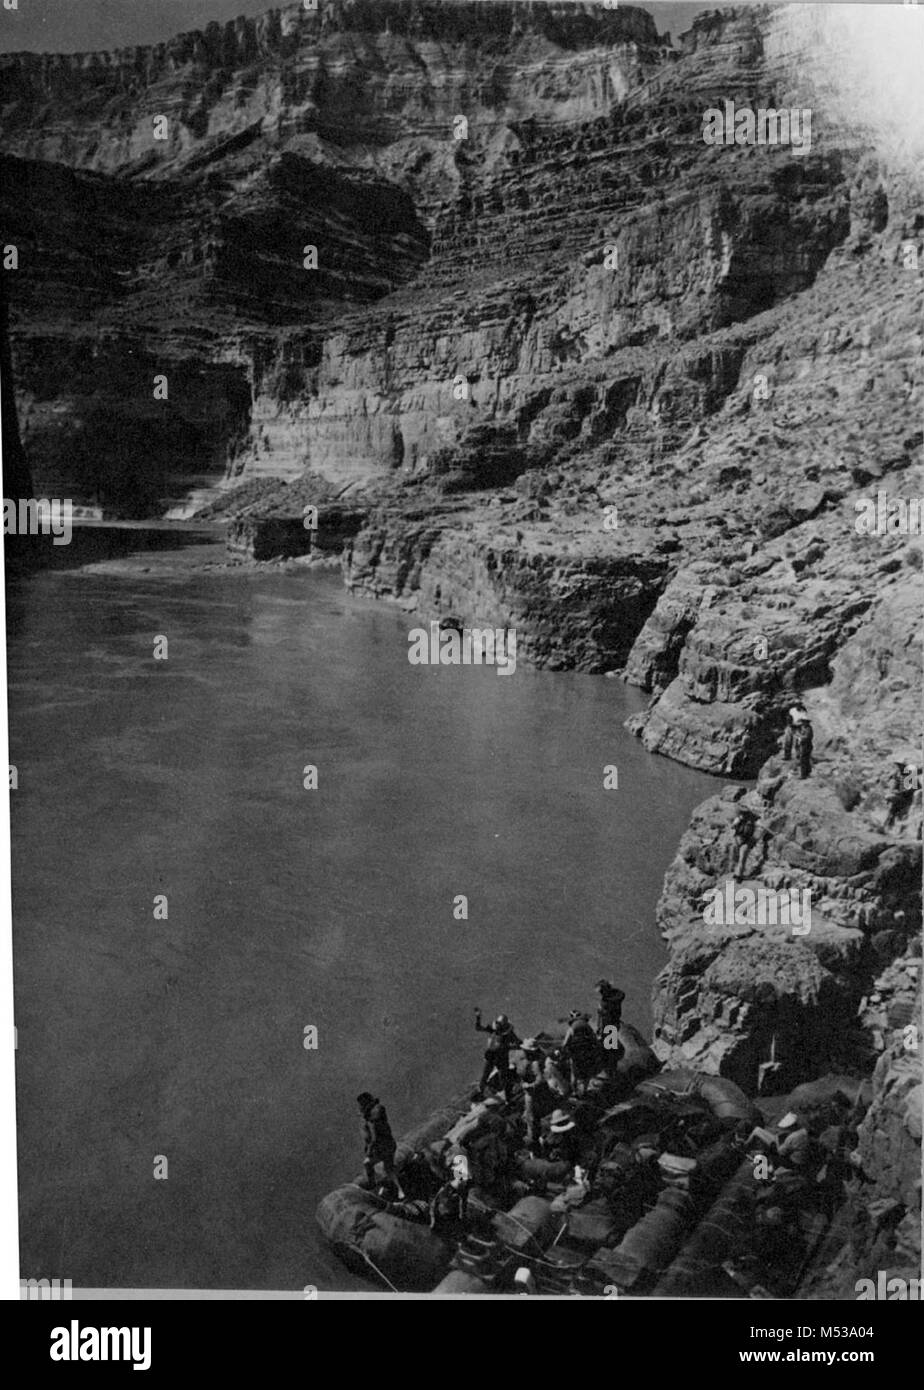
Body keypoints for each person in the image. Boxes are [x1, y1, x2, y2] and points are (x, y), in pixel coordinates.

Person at [357, 1091, 404, 1197]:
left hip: (382, 1149)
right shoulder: (379, 1110)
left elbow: (373, 1138)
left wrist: (369, 1153)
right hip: (390, 1145)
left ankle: (373, 1185)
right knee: (389, 1169)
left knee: (368, 1164)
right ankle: (400, 1192)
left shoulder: (372, 1119)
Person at [474, 1009, 521, 1101]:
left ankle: (507, 1096)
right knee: (485, 1074)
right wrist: (478, 1017)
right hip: (492, 1055)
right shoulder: (492, 1030)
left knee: (503, 1077)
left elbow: (517, 1042)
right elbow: (478, 1027)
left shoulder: (509, 1034)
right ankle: (481, 1092)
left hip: (501, 1057)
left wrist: (512, 1046)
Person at [521, 1039, 556, 1155]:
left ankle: (536, 1150)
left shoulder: (534, 1064)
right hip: (542, 1095)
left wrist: (527, 1086)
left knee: (532, 1123)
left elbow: (539, 1080)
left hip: (535, 1096)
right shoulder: (539, 1059)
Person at [562, 1011, 599, 1096]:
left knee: (574, 1075)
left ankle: (575, 1092)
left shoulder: (571, 1029)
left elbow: (565, 1044)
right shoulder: (587, 1027)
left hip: (575, 1056)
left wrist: (564, 1051)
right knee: (587, 1074)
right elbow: (594, 1040)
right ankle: (584, 1091)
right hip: (587, 1054)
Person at [885, 760, 914, 829]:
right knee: (892, 810)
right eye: (899, 765)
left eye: (901, 766)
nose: (899, 767)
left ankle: (899, 830)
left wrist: (901, 792)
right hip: (899, 796)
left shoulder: (911, 775)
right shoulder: (897, 773)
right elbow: (893, 781)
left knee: (902, 816)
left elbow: (913, 789)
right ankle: (887, 825)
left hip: (906, 799)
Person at [731, 805, 758, 876]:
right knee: (736, 858)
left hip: (745, 841)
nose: (743, 814)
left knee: (742, 858)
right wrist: (738, 821)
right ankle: (736, 873)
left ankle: (738, 875)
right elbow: (733, 826)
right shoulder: (738, 819)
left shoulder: (750, 820)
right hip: (738, 840)